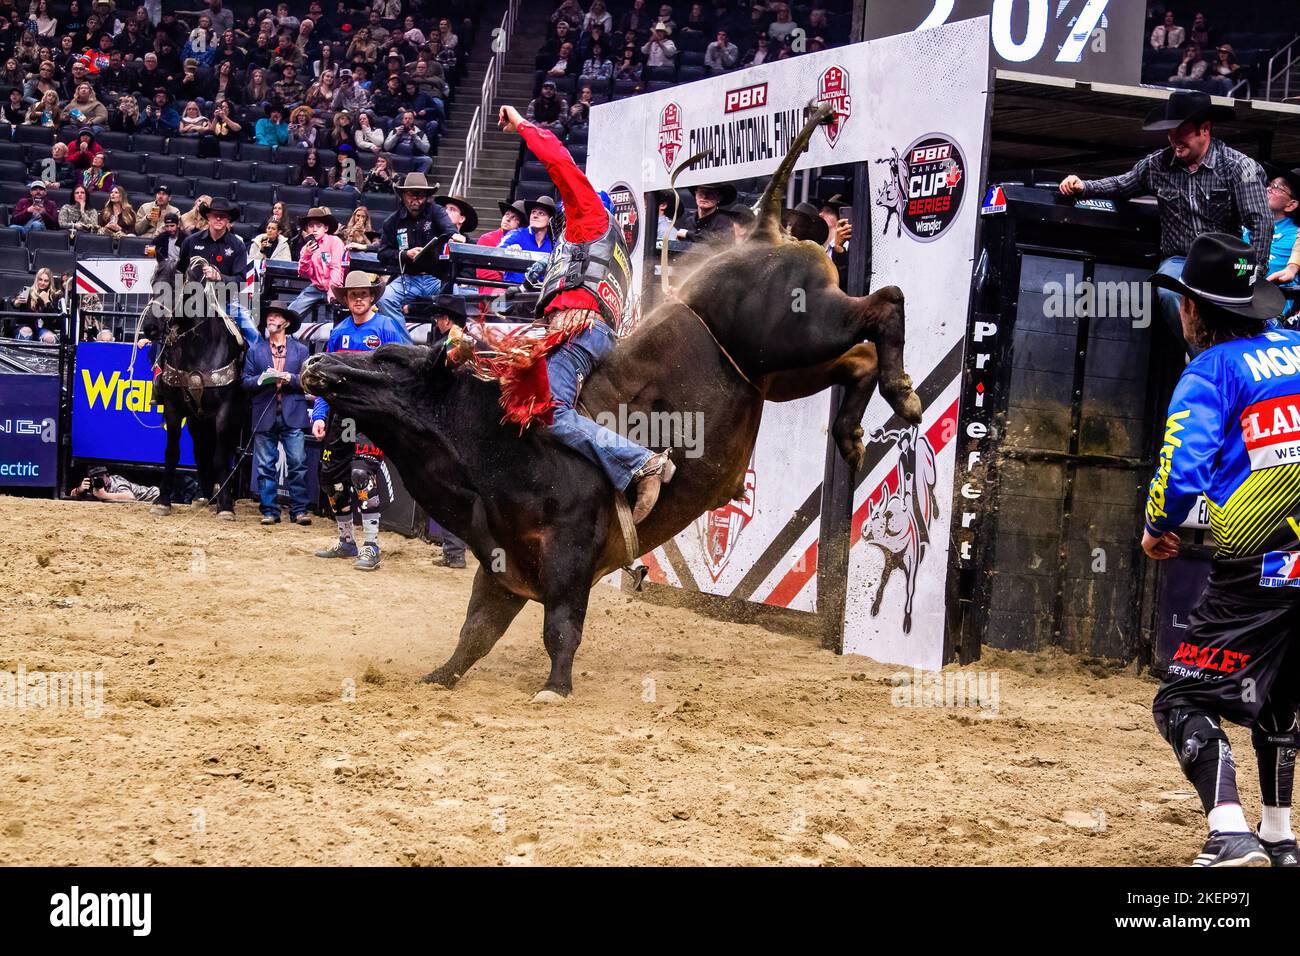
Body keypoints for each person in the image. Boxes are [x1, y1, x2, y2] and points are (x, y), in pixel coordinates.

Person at [1141, 233, 1298, 868]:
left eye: (1182, 302)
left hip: (1260, 566)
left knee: (1181, 697)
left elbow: (1181, 472)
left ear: (1193, 311)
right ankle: (1281, 838)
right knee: (1281, 695)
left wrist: (1158, 525)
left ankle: (1229, 832)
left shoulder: (1211, 371)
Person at [492, 104, 673, 523]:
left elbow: (558, 161)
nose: (561, 215)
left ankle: (642, 463)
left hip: (576, 331)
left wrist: (521, 124)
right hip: (585, 331)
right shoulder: (612, 252)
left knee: (549, 413)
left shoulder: (588, 216)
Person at [1059, 91, 1271, 354]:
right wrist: (1084, 185)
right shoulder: (1157, 164)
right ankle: (1205, 360)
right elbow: (1121, 184)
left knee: (1260, 318)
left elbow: (1260, 221)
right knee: (1170, 291)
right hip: (1179, 260)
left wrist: (1255, 275)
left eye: (1180, 131)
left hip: (1224, 264)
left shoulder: (1239, 167)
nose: (1173, 139)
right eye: (1169, 131)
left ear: (1204, 130)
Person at [311, 271, 410, 571]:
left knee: (359, 474)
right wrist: (319, 415)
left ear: (371, 297)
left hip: (373, 416)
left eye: (363, 294)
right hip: (341, 416)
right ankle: (345, 541)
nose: (358, 299)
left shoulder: (387, 328)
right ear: (345, 299)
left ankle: (371, 545)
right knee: (329, 479)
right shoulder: (339, 333)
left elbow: (405, 369)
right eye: (353, 294)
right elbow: (323, 381)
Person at [243, 301, 312, 526]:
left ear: (287, 322)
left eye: (276, 315)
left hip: (293, 413)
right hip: (265, 413)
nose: (271, 318)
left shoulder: (301, 350)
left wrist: (289, 378)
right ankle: (270, 511)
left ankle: (299, 511)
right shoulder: (255, 350)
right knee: (265, 466)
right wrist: (263, 379)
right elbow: (245, 382)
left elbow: (308, 381)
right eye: (269, 315)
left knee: (298, 464)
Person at [374, 171, 459, 325]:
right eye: (411, 195)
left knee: (456, 297)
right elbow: (383, 253)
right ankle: (404, 344)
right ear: (403, 195)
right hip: (408, 279)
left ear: (426, 197)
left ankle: (446, 343)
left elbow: (450, 230)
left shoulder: (436, 211)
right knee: (384, 298)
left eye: (420, 195)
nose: (415, 199)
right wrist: (406, 254)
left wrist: (455, 237)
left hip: (436, 278)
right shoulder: (392, 222)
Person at [176, 197, 259, 348]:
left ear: (228, 220)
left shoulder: (238, 246)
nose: (219, 218)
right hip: (192, 301)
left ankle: (251, 371)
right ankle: (158, 367)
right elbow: (178, 272)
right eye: (215, 214)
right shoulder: (191, 242)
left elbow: (241, 281)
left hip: (225, 303)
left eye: (224, 216)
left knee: (253, 334)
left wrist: (219, 277)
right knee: (162, 328)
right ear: (208, 217)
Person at [289, 206, 348, 320]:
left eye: (318, 226)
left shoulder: (334, 242)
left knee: (334, 319)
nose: (314, 229)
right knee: (291, 314)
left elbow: (336, 268)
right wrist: (307, 255)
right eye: (311, 226)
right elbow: (304, 273)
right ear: (306, 229)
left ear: (325, 228)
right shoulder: (306, 248)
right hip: (316, 287)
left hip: (337, 287)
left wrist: (332, 293)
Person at [476, 198, 525, 314]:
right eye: (507, 214)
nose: (508, 218)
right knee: (499, 298)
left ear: (520, 225)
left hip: (517, 291)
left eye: (514, 218)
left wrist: (503, 271)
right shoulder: (487, 239)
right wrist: (508, 274)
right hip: (493, 288)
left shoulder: (524, 242)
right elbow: (483, 272)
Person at [497, 195, 556, 283]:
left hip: (542, 293)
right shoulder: (516, 234)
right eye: (533, 212)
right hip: (514, 291)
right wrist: (508, 252)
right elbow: (497, 254)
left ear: (550, 220)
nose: (535, 216)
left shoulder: (556, 242)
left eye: (541, 213)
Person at [69, 465, 160, 503]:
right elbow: (71, 496)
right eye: (94, 476)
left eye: (100, 476)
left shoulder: (116, 482)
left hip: (153, 495)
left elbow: (130, 497)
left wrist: (104, 495)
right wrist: (79, 490)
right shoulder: (92, 485)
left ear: (107, 476)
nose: (97, 479)